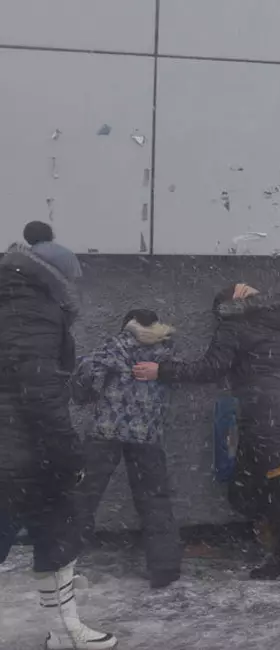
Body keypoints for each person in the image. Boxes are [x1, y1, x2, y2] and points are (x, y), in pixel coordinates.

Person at [132, 283, 280, 591]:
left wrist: (162, 370)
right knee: (260, 490)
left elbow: (211, 368)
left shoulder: (235, 326)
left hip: (269, 415)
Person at [0, 227, 118, 649]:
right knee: (53, 535)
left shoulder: (14, 302)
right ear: (57, 279)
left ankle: (66, 632)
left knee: (56, 537)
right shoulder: (31, 311)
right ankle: (65, 633)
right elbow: (40, 394)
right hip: (22, 457)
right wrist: (72, 456)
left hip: (24, 455)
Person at [71, 309, 182, 589]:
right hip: (147, 434)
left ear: (127, 326)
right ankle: (164, 568)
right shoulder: (166, 351)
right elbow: (177, 379)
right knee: (155, 499)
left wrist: (84, 394)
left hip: (106, 430)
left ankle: (63, 560)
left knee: (84, 495)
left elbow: (86, 375)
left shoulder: (116, 345)